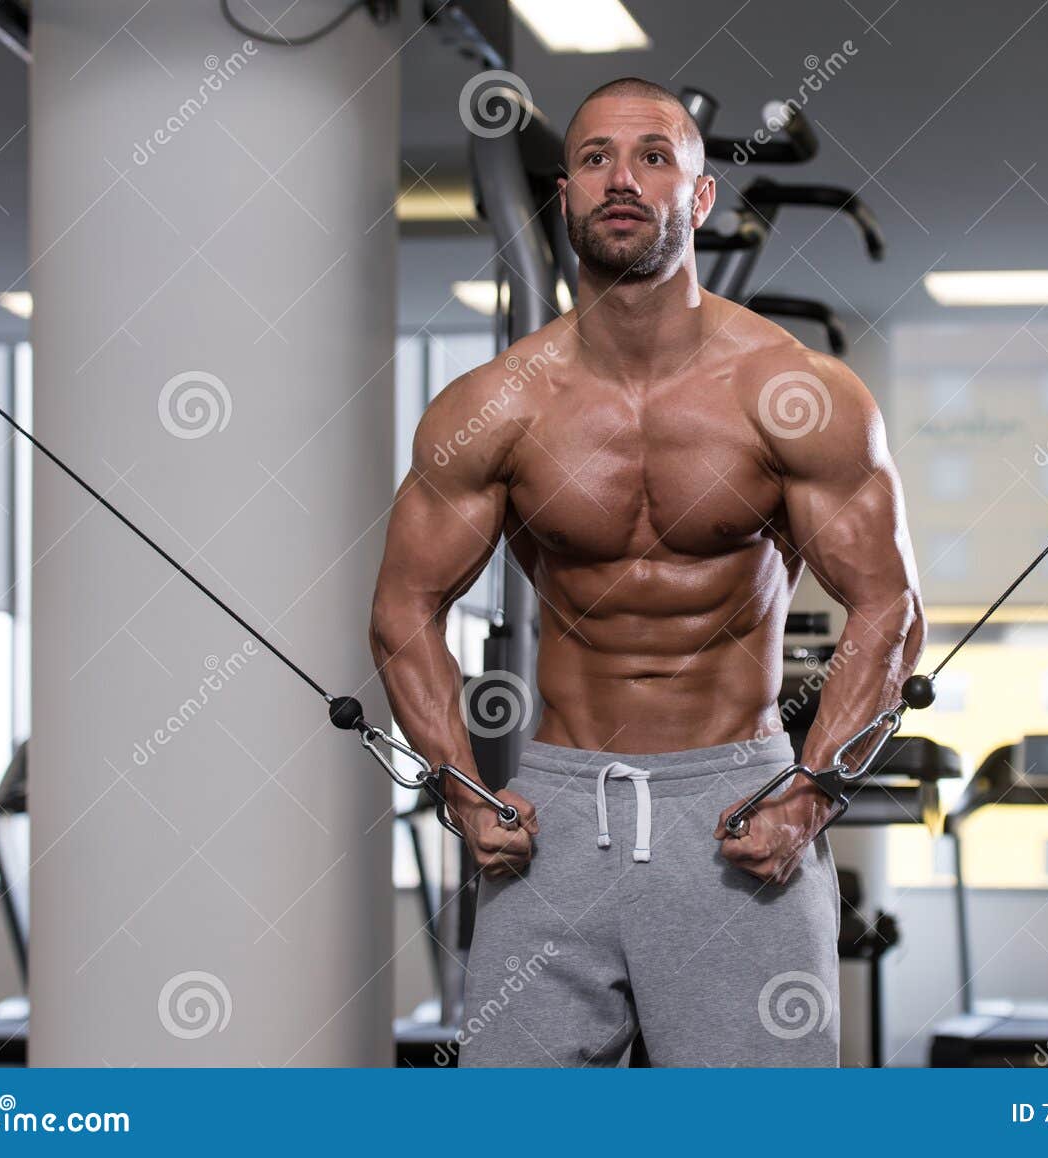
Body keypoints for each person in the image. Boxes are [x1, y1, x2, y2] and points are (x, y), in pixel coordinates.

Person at [370, 77, 924, 1067]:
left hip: (737, 814)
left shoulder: (793, 393)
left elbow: (888, 605)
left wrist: (808, 793)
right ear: (565, 195)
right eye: (594, 159)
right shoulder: (494, 406)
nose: (621, 179)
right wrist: (458, 782)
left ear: (699, 200)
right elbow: (404, 608)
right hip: (554, 819)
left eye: (653, 157)